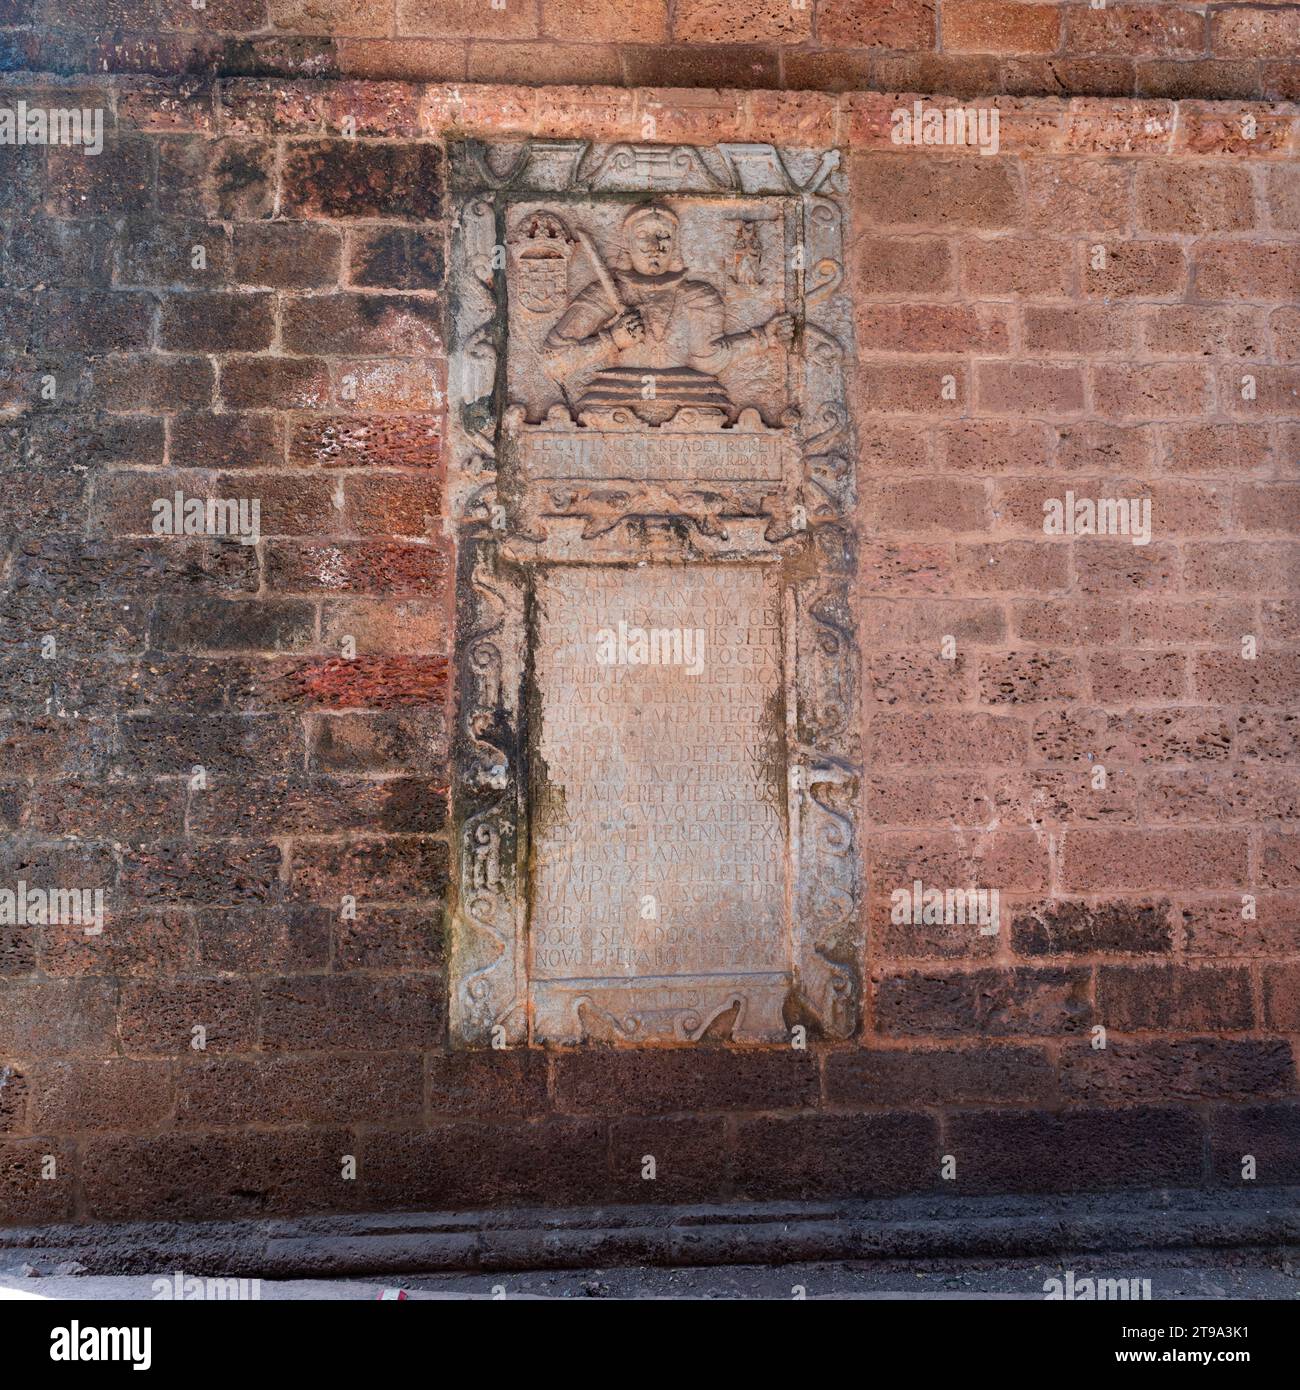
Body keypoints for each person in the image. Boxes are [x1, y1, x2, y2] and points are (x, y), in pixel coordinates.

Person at [542, 202, 794, 422]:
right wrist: (611, 340)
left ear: (675, 243)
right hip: (611, 404)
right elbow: (552, 361)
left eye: (663, 235)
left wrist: (763, 338)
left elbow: (709, 359)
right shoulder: (602, 295)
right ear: (627, 242)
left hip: (694, 406)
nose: (654, 246)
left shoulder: (697, 296)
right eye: (643, 235)